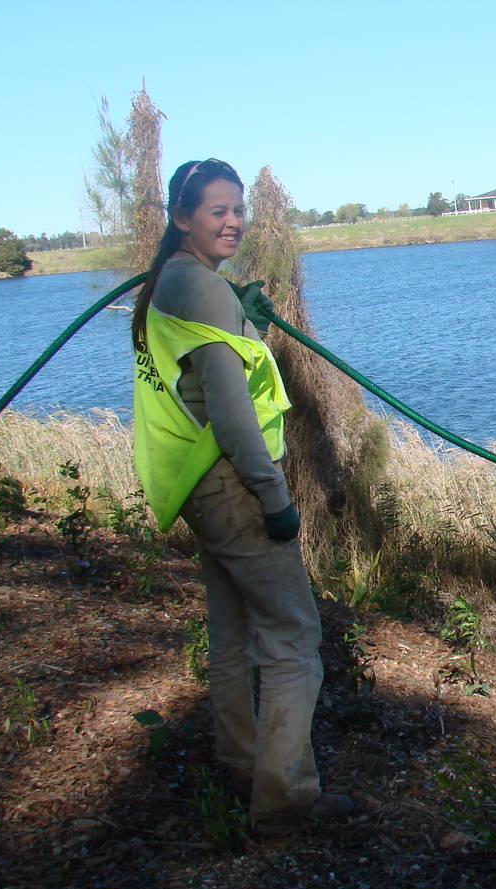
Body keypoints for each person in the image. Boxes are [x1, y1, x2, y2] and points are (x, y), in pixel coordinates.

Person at [131, 158, 353, 837]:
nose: (233, 221)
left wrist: (245, 320)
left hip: (198, 487)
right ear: (182, 218)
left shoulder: (173, 281)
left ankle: (241, 763)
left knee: (232, 632)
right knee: (293, 637)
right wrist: (274, 497)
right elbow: (230, 412)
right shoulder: (199, 289)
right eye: (216, 211)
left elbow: (209, 373)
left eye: (237, 209)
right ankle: (285, 801)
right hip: (234, 486)